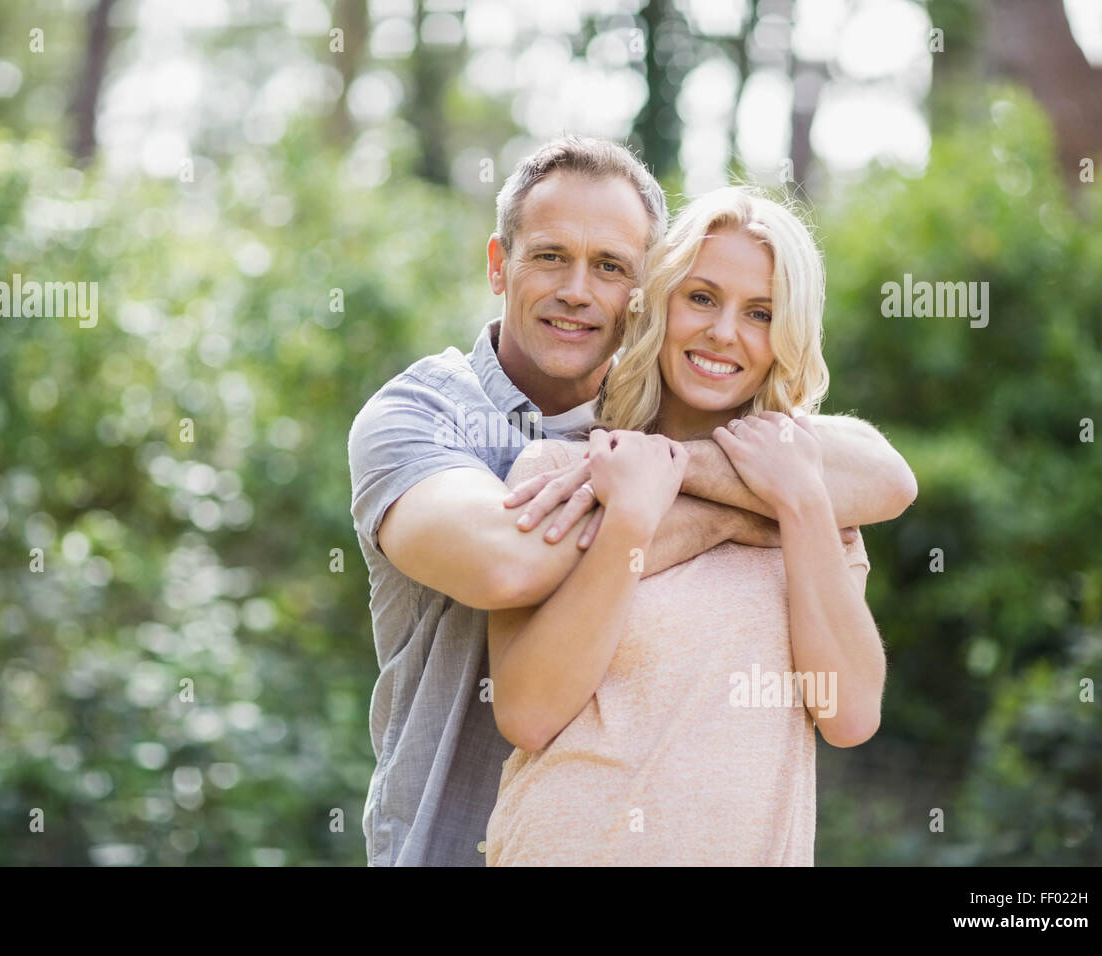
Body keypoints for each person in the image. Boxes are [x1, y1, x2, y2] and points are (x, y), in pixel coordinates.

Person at [347, 138, 917, 867]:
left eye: (611, 266)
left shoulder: (798, 486)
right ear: (500, 264)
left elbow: (889, 484)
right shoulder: (454, 425)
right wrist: (698, 510)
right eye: (550, 255)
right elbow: (509, 577)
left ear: (640, 288)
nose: (579, 291)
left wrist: (775, 494)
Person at [484, 186, 892, 866]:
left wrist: (801, 505)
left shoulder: (817, 504)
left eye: (760, 312)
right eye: (701, 297)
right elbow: (526, 713)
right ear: (661, 301)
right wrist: (629, 526)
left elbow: (849, 716)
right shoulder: (564, 473)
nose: (723, 332)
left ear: (786, 335)